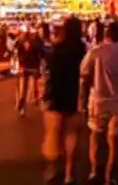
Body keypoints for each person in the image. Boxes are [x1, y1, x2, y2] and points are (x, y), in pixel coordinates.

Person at [81, 20, 118, 185]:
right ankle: (110, 175)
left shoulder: (96, 51)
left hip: (98, 101)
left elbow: (83, 75)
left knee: (96, 136)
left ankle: (95, 170)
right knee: (115, 141)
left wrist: (83, 101)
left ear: (106, 34)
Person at [43, 18, 88, 185]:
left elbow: (50, 73)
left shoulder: (57, 48)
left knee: (55, 132)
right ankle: (69, 174)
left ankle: (53, 169)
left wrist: (47, 95)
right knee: (72, 133)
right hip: (75, 93)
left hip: (57, 93)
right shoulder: (82, 49)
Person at [15, 29, 45, 116]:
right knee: (37, 88)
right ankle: (38, 103)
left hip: (26, 67)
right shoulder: (37, 42)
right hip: (33, 67)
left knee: (25, 89)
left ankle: (22, 107)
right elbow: (41, 54)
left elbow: (18, 54)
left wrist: (21, 62)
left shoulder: (22, 42)